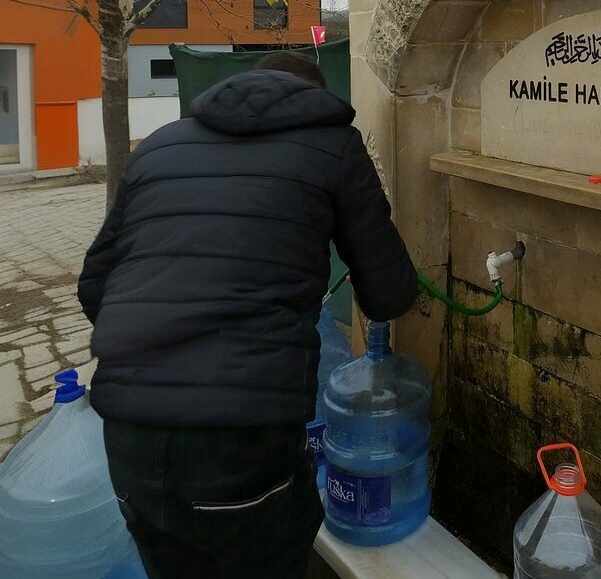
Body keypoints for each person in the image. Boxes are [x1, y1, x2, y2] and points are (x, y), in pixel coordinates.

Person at [77, 52, 419, 578]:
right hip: (243, 437)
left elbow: (94, 286)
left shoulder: (160, 145)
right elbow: (389, 296)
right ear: (314, 97)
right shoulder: (334, 145)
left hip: (130, 431)